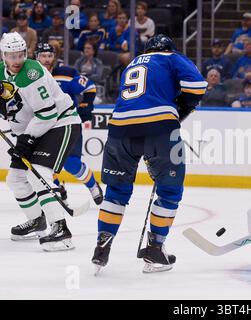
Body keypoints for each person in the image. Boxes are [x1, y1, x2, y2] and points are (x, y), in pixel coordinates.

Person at [91, 34, 207, 273]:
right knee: (170, 190)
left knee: (116, 192)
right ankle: (155, 249)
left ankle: (102, 246)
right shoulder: (171, 58)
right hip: (160, 128)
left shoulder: (132, 64)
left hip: (119, 129)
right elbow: (198, 86)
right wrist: (182, 107)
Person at [0, 33, 81, 251]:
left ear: (26, 53)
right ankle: (38, 221)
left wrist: (25, 139)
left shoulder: (32, 73)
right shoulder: (1, 73)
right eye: (11, 56)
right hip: (34, 129)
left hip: (61, 123)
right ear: (3, 56)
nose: (17, 60)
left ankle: (61, 228)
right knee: (16, 179)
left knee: (38, 173)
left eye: (20, 55)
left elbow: (47, 114)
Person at [35, 42, 104, 206]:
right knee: (42, 164)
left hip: (68, 123)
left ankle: (93, 186)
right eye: (43, 56)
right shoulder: (30, 76)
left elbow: (90, 87)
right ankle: (59, 189)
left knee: (71, 164)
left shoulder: (65, 73)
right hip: (44, 125)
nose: (46, 59)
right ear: (36, 57)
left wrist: (86, 104)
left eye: (49, 56)